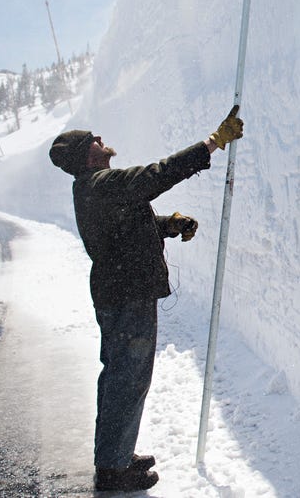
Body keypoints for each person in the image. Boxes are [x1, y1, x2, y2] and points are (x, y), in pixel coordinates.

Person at [49, 106, 243, 492]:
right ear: (87, 155)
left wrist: (167, 225)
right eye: (94, 140)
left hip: (121, 291)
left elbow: (127, 228)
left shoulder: (95, 189)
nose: (102, 141)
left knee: (123, 378)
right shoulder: (100, 184)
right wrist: (213, 143)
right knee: (126, 379)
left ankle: (116, 455)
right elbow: (156, 175)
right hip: (126, 295)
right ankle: (112, 470)